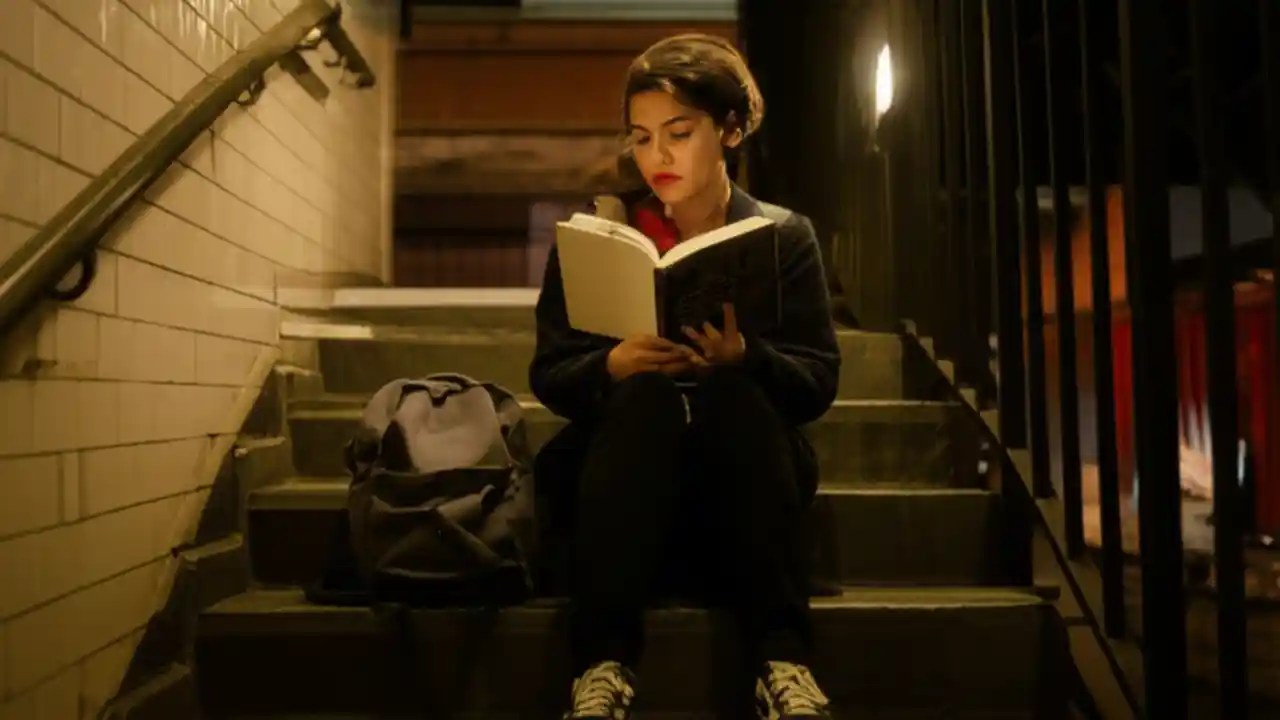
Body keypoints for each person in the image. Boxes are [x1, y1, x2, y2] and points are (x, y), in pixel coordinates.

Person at [529, 33, 842, 720]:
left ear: (729, 130)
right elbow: (550, 372)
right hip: (627, 470)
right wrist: (611, 365)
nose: (657, 157)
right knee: (643, 398)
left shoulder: (784, 237)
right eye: (641, 138)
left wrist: (748, 359)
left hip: (744, 471)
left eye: (679, 133)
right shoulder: (600, 234)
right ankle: (601, 665)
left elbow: (817, 381)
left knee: (734, 395)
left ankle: (782, 661)